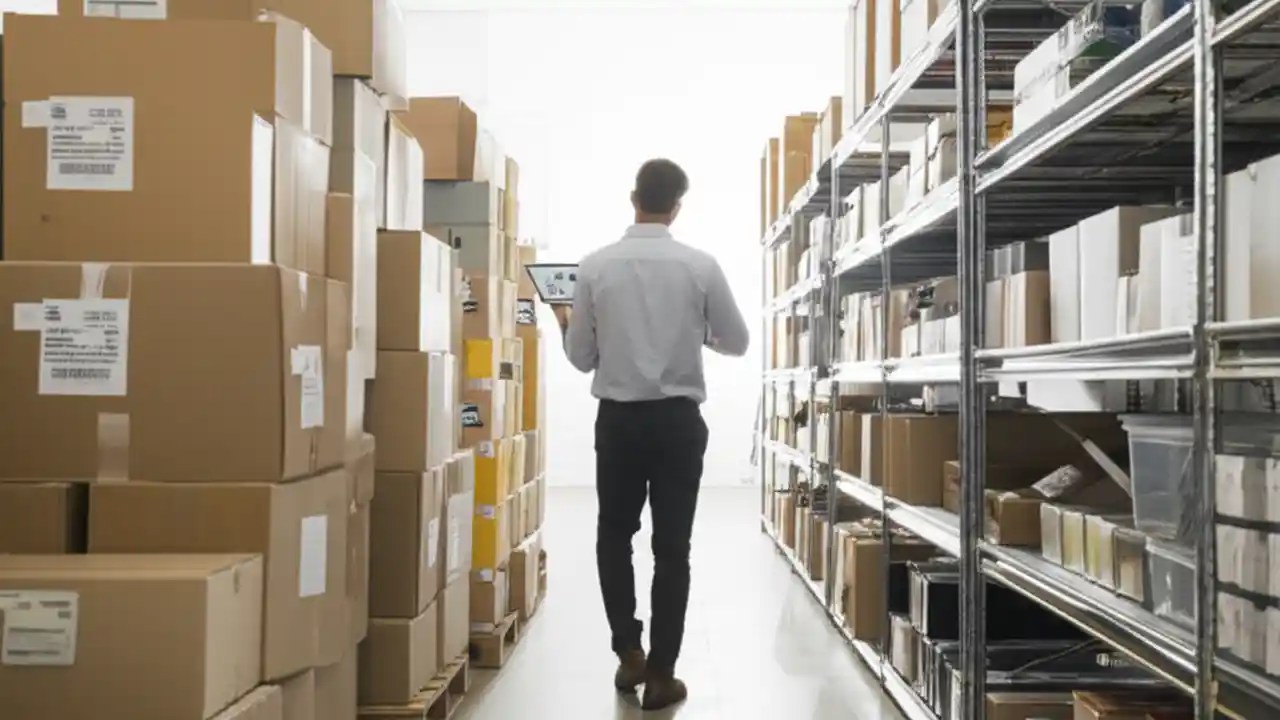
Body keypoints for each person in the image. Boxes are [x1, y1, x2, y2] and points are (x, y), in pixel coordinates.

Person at [551, 158, 749, 710]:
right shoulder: (700, 266)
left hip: (618, 422)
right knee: (672, 549)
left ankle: (628, 652)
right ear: (677, 207)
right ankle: (662, 673)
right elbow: (737, 341)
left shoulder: (594, 267)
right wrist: (695, 331)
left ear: (632, 197)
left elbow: (582, 357)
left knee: (613, 535)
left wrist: (567, 322)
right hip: (678, 425)